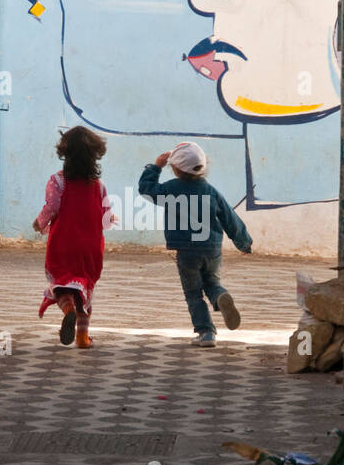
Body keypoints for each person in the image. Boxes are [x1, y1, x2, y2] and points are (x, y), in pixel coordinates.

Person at [138, 141, 252, 347]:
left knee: (193, 293)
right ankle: (220, 297)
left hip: (187, 252)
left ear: (175, 168)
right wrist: (244, 243)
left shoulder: (170, 189)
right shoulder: (211, 190)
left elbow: (147, 190)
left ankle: (206, 332)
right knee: (212, 282)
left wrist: (155, 167)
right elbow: (229, 217)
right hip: (212, 248)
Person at [33, 126, 115, 348]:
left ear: (64, 154)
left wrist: (39, 223)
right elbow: (106, 221)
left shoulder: (57, 182)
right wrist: (111, 218)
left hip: (62, 244)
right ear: (95, 156)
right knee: (84, 288)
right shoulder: (100, 187)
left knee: (61, 285)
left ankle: (67, 309)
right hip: (90, 249)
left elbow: (51, 207)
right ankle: (82, 336)